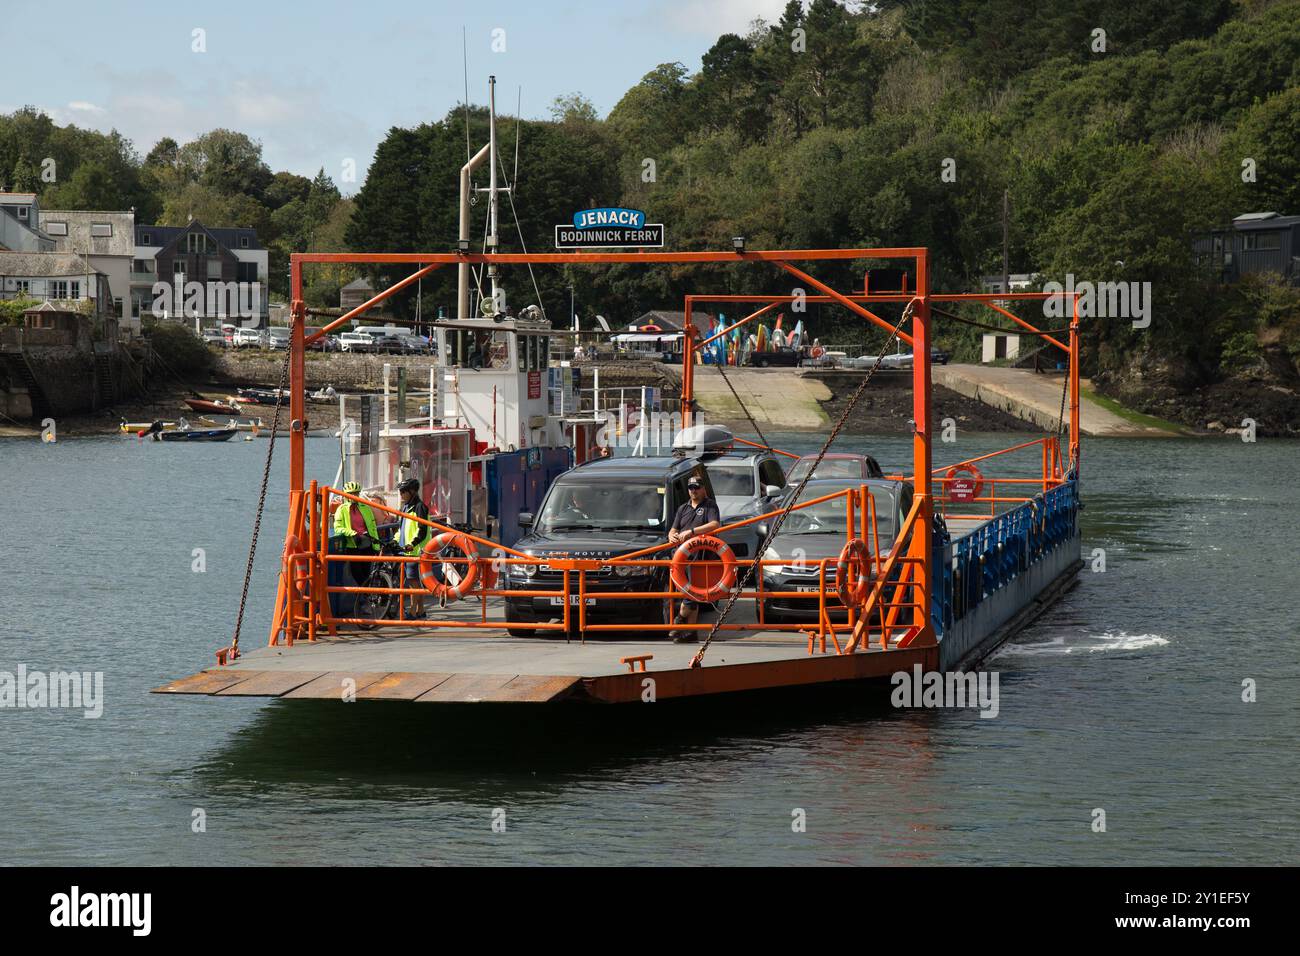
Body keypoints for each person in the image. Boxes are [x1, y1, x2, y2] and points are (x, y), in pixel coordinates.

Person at [666, 476, 721, 643]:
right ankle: (691, 632)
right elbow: (673, 529)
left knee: (692, 593)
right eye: (691, 488)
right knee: (690, 594)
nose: (693, 490)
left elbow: (714, 525)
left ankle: (679, 621)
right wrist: (672, 537)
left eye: (696, 487)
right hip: (682, 557)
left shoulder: (710, 505)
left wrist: (692, 532)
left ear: (703, 488)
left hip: (700, 558)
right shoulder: (683, 508)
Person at [396, 478, 432, 618]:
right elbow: (402, 528)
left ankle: (412, 610)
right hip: (407, 550)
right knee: (415, 582)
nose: (401, 494)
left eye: (403, 491)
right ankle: (421, 610)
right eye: (400, 491)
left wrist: (413, 544)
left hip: (415, 551)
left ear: (412, 492)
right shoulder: (406, 507)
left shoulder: (419, 507)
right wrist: (396, 541)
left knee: (413, 582)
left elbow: (422, 530)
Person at [332, 480, 379, 585]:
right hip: (353, 545)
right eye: (351, 493)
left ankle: (368, 597)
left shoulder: (365, 508)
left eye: (356, 493)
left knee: (366, 573)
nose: (354, 495)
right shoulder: (341, 509)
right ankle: (368, 594)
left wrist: (376, 546)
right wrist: (351, 533)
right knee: (357, 574)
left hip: (367, 544)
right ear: (346, 495)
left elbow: (373, 528)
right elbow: (338, 528)